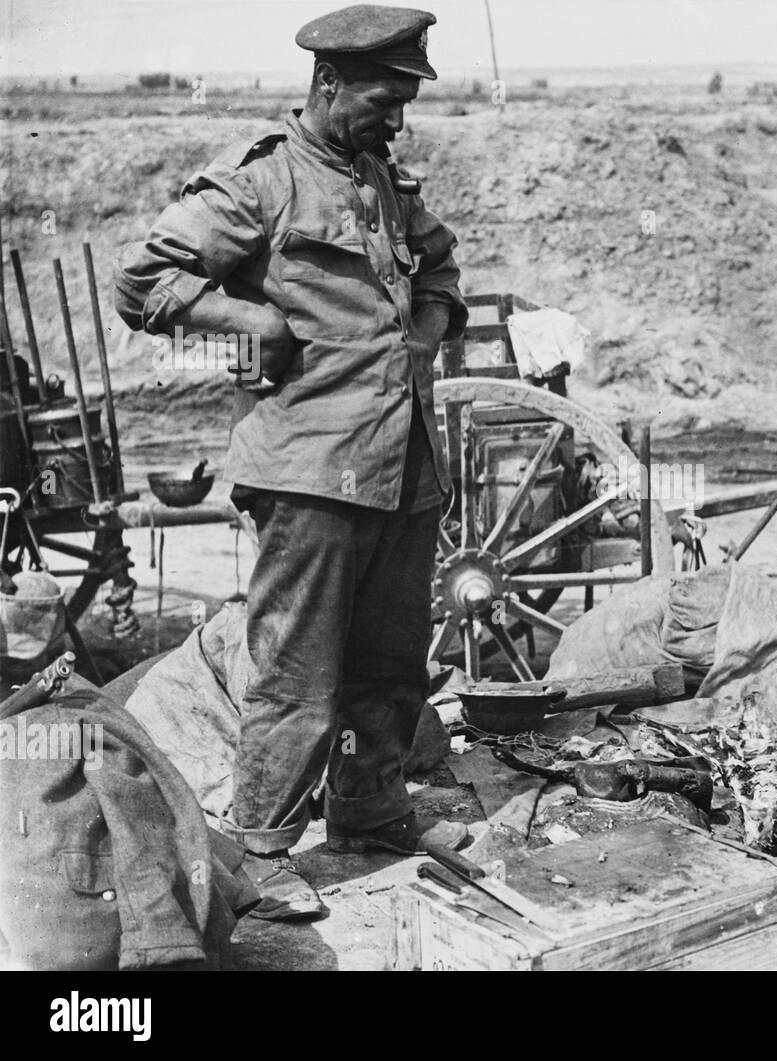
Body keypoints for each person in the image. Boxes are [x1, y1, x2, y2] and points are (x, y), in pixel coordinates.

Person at [114, 4, 470, 921]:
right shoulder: (261, 183)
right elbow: (144, 281)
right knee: (295, 669)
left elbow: (439, 268)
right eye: (384, 100)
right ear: (329, 83)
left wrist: (428, 327)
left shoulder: (382, 179)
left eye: (405, 101)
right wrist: (251, 321)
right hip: (309, 470)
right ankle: (262, 848)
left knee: (390, 657)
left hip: (403, 463)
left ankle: (369, 805)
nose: (398, 120)